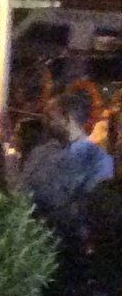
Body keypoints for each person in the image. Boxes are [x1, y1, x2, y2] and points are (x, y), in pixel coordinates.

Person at [21, 87, 112, 243]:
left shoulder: (96, 158)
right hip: (31, 235)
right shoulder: (41, 152)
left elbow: (91, 205)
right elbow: (24, 189)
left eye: (50, 117)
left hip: (70, 241)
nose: (45, 123)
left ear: (68, 118)